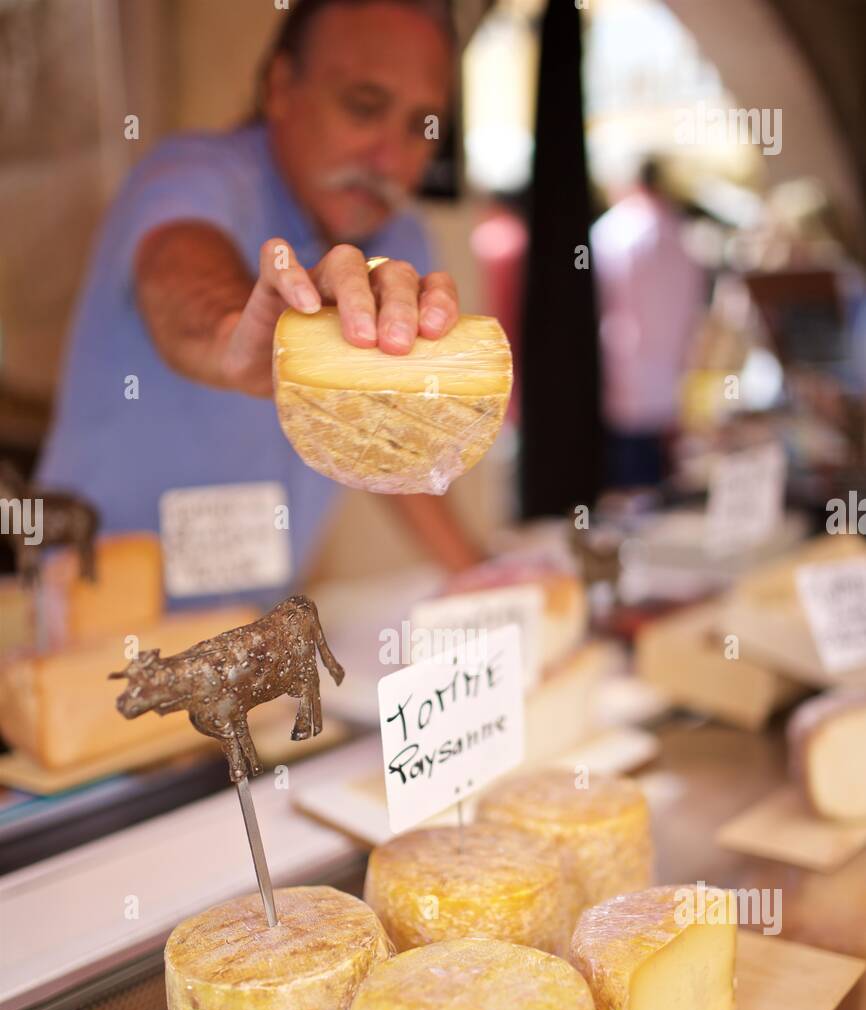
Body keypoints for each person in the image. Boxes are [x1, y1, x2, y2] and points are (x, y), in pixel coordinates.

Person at [38, 0, 483, 590]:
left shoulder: (400, 240)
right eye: (363, 107)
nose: (392, 159)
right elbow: (179, 269)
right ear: (280, 86)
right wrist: (233, 333)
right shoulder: (193, 174)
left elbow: (382, 437)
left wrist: (479, 573)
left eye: (420, 125)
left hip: (252, 640)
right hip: (92, 630)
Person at [591, 157, 704, 488]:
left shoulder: (616, 231)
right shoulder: (681, 233)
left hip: (624, 380)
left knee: (628, 488)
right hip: (665, 381)